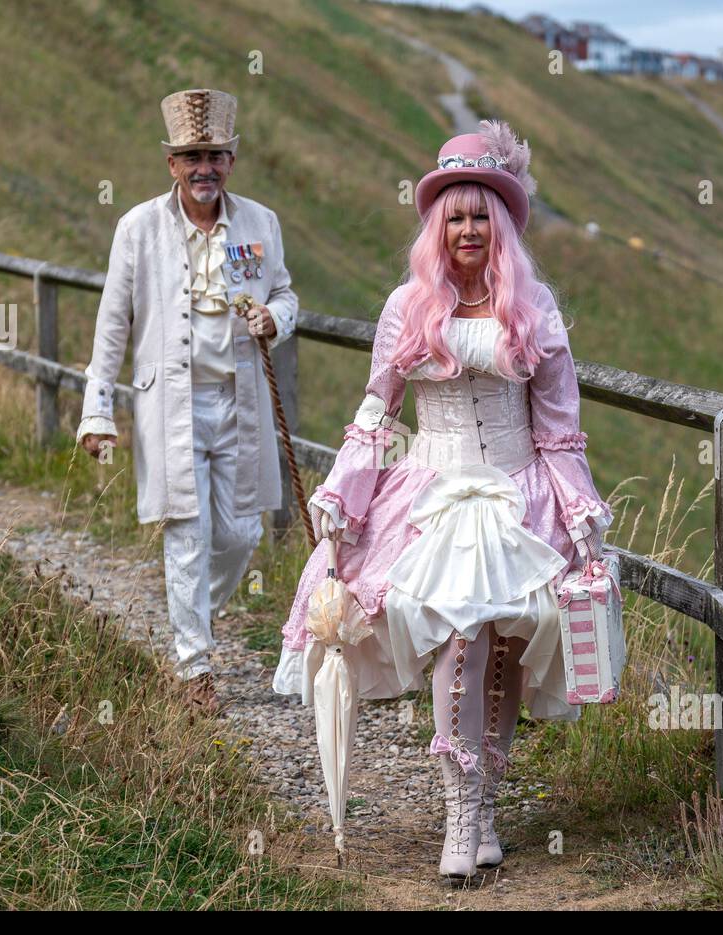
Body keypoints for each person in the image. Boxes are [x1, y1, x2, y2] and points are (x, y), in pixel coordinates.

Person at [275, 122, 612, 880]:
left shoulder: (534, 308)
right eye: (454, 215)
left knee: (500, 649)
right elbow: (377, 413)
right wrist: (344, 497)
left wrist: (583, 516)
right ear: (437, 225)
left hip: (518, 498)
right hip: (432, 496)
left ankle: (485, 809)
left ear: (503, 222)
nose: (467, 228)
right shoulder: (407, 307)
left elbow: (559, 432)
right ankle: (460, 815)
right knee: (460, 637)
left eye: (481, 213)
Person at [77, 88, 299, 714]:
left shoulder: (261, 223)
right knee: (188, 532)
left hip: (240, 405)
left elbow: (285, 295)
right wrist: (98, 412)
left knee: (239, 533)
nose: (205, 167)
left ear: (232, 159)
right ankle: (193, 665)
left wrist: (272, 320)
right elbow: (111, 325)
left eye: (217, 155)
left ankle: (188, 614)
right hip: (169, 405)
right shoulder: (138, 228)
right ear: (171, 163)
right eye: (192, 156)